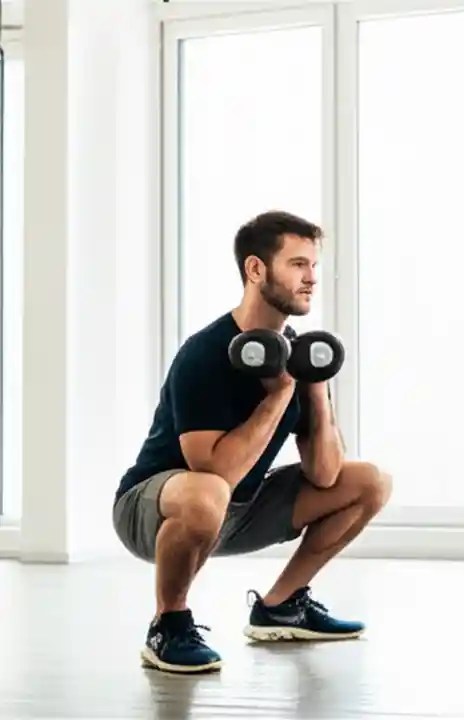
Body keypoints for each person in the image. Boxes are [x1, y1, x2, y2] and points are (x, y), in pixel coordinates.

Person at [113, 210, 393, 673]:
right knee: (208, 491)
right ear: (256, 269)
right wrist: (279, 394)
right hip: (155, 508)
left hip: (237, 509)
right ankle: (168, 624)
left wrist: (314, 388)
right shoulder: (204, 354)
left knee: (369, 481)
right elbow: (215, 472)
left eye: (314, 266)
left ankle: (282, 606)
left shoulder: (298, 355)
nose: (311, 278)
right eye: (298, 264)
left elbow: (324, 474)